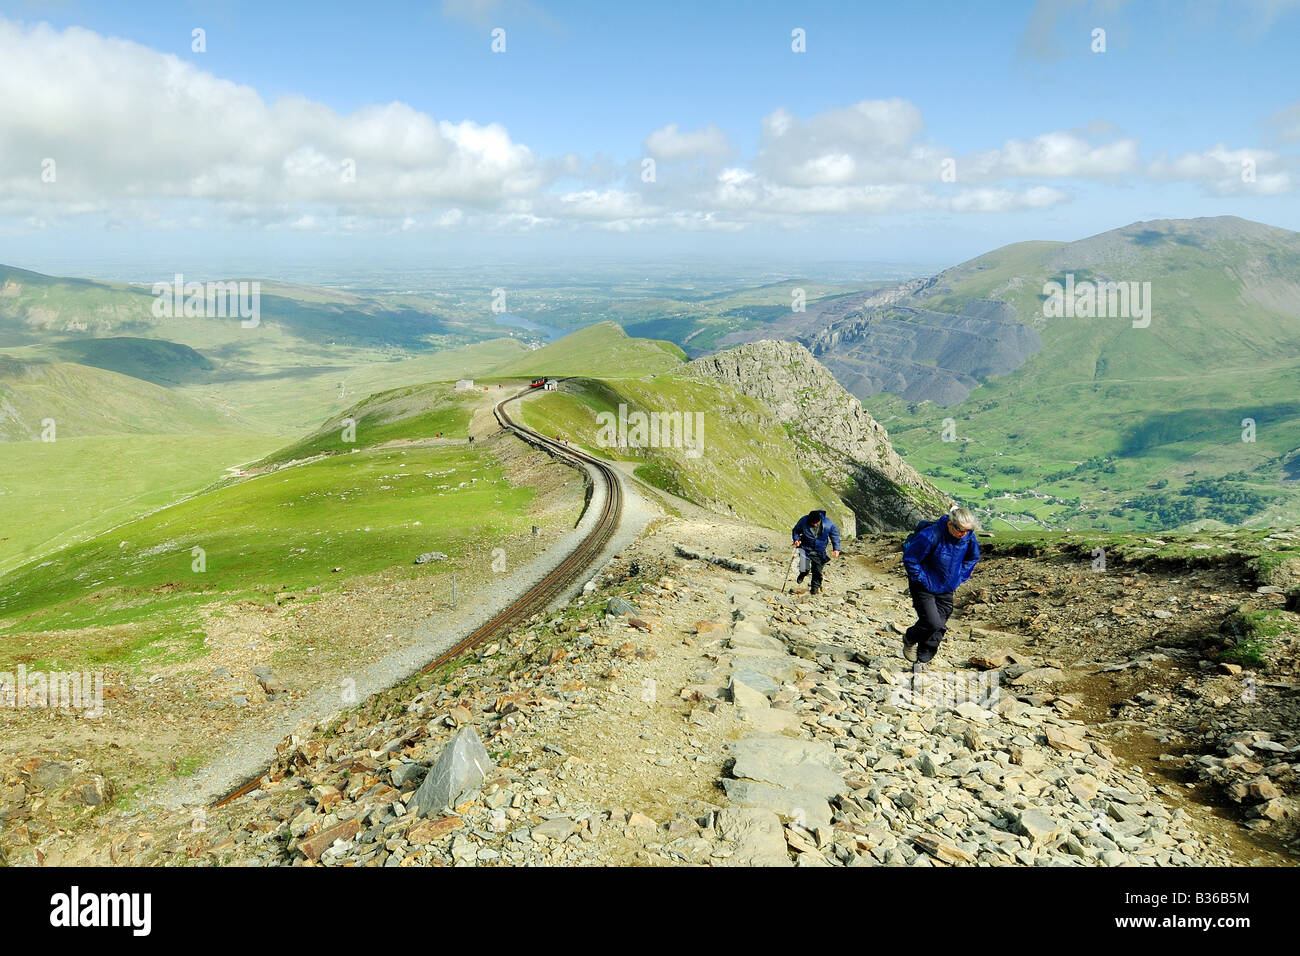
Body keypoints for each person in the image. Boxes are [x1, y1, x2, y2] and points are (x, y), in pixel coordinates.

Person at [901, 507, 980, 666]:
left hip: (947, 586)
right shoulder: (930, 535)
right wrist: (922, 579)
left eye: (967, 531)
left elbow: (973, 558)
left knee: (939, 626)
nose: (963, 534)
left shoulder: (968, 538)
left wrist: (959, 576)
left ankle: (922, 659)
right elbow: (910, 559)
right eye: (960, 530)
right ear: (950, 524)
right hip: (923, 585)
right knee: (932, 622)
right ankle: (910, 638)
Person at [791, 509, 841, 596]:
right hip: (804, 548)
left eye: (816, 523)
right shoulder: (803, 520)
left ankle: (814, 589)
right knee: (804, 567)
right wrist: (796, 539)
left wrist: (836, 549)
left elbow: (835, 535)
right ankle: (803, 574)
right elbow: (796, 531)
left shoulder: (828, 523)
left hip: (819, 550)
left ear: (820, 520)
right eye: (812, 523)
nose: (814, 524)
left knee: (817, 570)